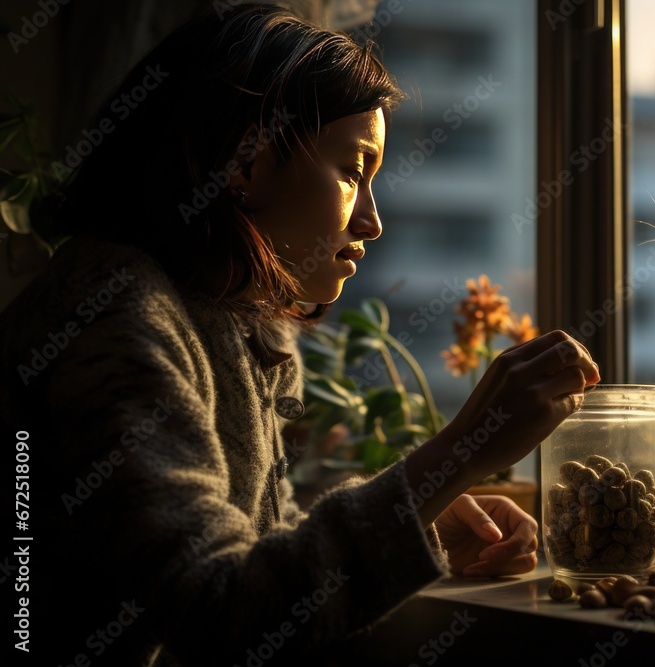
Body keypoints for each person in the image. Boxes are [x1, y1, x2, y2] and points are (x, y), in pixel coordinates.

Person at [0, 4, 599, 666]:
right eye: (353, 170)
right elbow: (219, 608)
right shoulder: (110, 320)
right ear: (247, 162)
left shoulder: (217, 320)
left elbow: (251, 544)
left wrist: (425, 513)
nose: (372, 221)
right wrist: (456, 455)